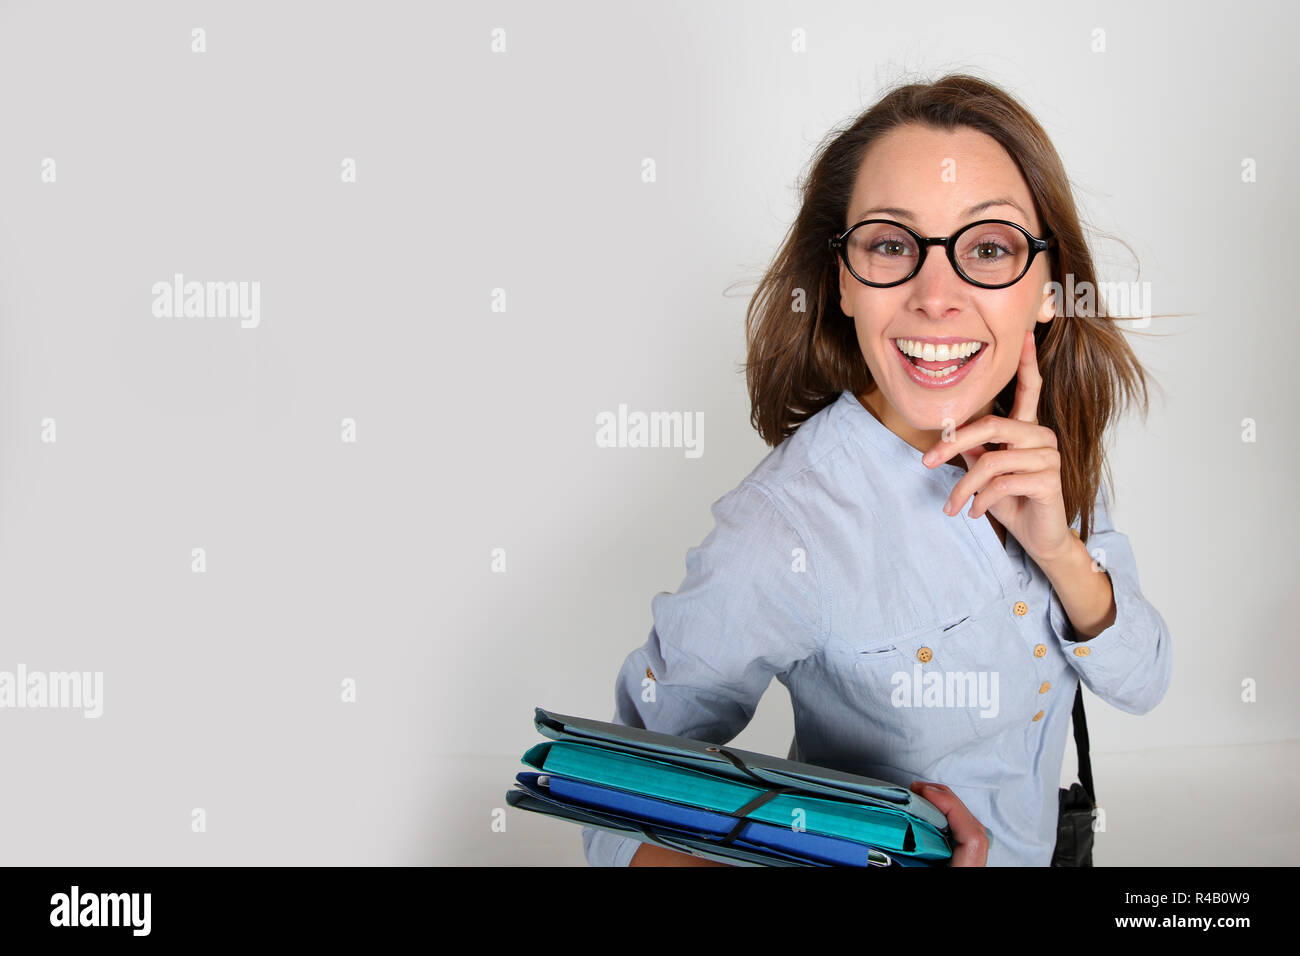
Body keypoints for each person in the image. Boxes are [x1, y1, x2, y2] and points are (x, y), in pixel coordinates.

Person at [583, 73, 1172, 867]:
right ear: (843, 284)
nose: (938, 295)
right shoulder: (786, 525)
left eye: (989, 248)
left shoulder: (1049, 444)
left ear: (1045, 289)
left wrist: (1061, 552)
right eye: (891, 245)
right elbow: (615, 793)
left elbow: (1143, 681)